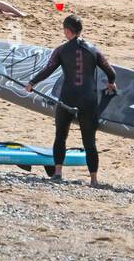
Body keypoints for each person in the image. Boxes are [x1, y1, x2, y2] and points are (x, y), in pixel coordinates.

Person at [27, 14, 118, 186]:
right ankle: (93, 179)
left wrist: (32, 83)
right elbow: (110, 72)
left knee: (60, 136)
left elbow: (49, 69)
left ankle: (58, 173)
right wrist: (111, 84)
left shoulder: (61, 50)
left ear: (68, 31)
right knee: (89, 141)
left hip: (67, 100)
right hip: (89, 101)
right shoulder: (93, 49)